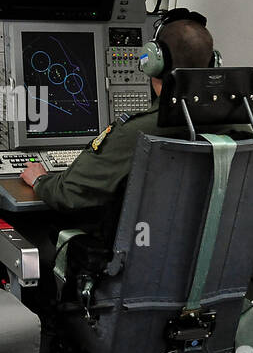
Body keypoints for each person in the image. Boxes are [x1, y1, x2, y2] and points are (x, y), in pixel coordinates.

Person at [19, 15, 214, 219]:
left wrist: (40, 180)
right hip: (213, 247)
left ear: (154, 62)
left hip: (138, 247)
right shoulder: (241, 127)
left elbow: (69, 193)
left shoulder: (137, 133)